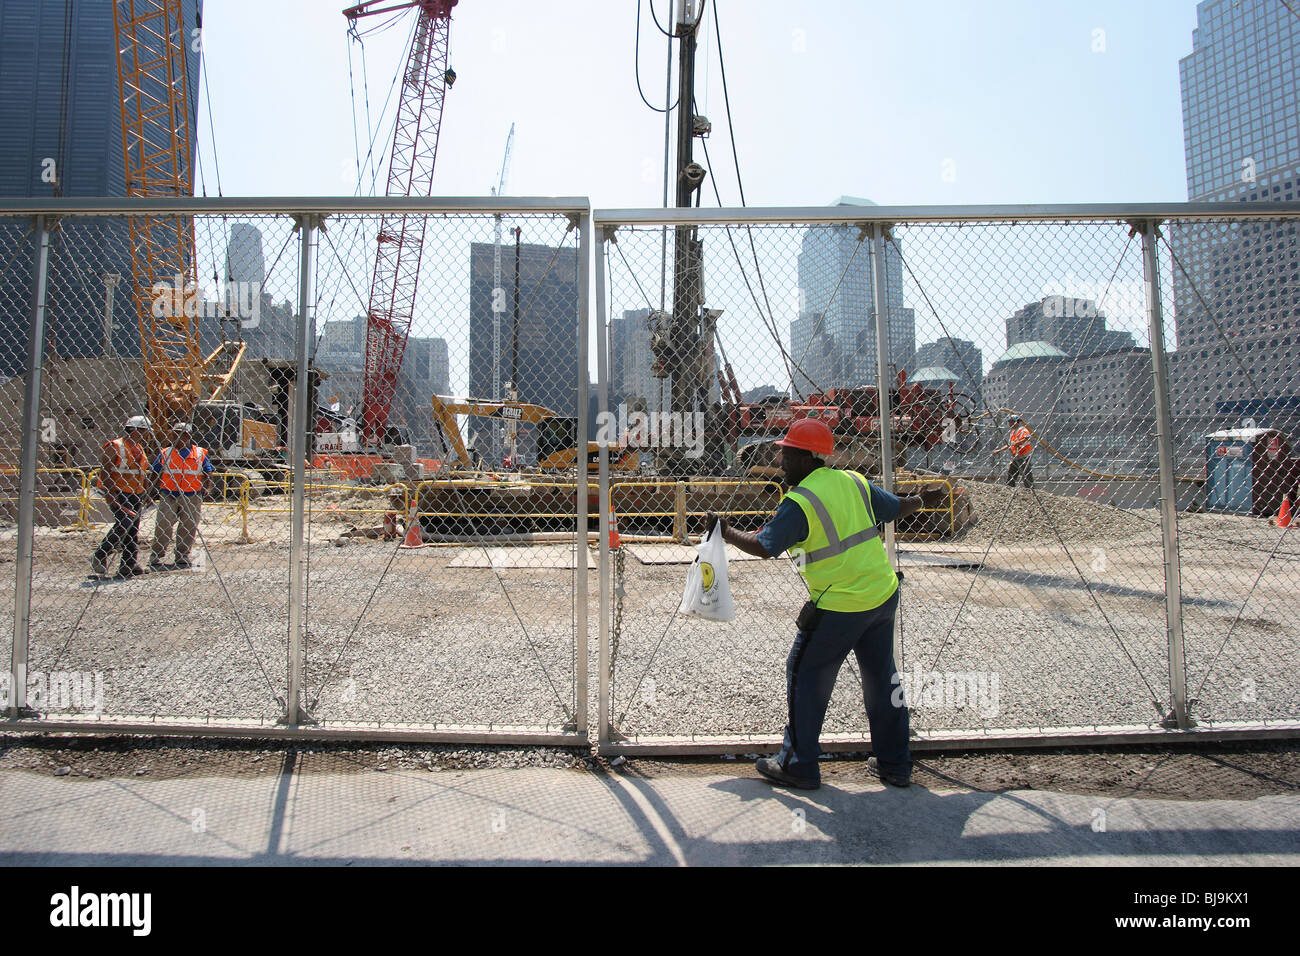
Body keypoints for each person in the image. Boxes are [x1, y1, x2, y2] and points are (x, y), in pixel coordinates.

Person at [708, 418, 947, 791]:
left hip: (839, 605)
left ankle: (798, 765)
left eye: (786, 454)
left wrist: (724, 531)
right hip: (881, 596)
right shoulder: (853, 481)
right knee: (883, 680)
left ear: (806, 458)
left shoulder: (800, 501)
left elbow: (763, 546)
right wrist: (924, 499)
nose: (780, 461)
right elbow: (896, 507)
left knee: (805, 675)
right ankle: (895, 765)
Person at [90, 415, 154, 578]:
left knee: (132, 528)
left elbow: (141, 473)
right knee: (124, 524)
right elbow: (105, 470)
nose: (147, 434)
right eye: (144, 431)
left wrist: (146, 493)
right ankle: (100, 554)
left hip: (136, 492)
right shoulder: (115, 446)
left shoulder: (139, 448)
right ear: (135, 430)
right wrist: (110, 493)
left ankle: (129, 564)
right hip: (119, 491)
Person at [148, 420, 213, 569]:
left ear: (189, 436)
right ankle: (156, 556)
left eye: (183, 435)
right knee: (163, 525)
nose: (180, 438)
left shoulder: (199, 452)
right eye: (177, 434)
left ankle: (182, 556)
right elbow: (155, 472)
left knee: (189, 525)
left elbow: (208, 471)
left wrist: (207, 488)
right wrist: (149, 491)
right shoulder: (166, 452)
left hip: (192, 495)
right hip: (169, 494)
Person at [993, 416, 1034, 489]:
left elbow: (1027, 438)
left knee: (1026, 475)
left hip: (1023, 456)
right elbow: (1010, 444)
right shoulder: (1012, 432)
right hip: (1016, 457)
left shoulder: (1022, 430)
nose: (1009, 423)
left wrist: (1017, 443)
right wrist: (999, 450)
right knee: (1011, 473)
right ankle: (1010, 488)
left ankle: (1030, 490)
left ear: (1015, 422)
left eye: (1010, 421)